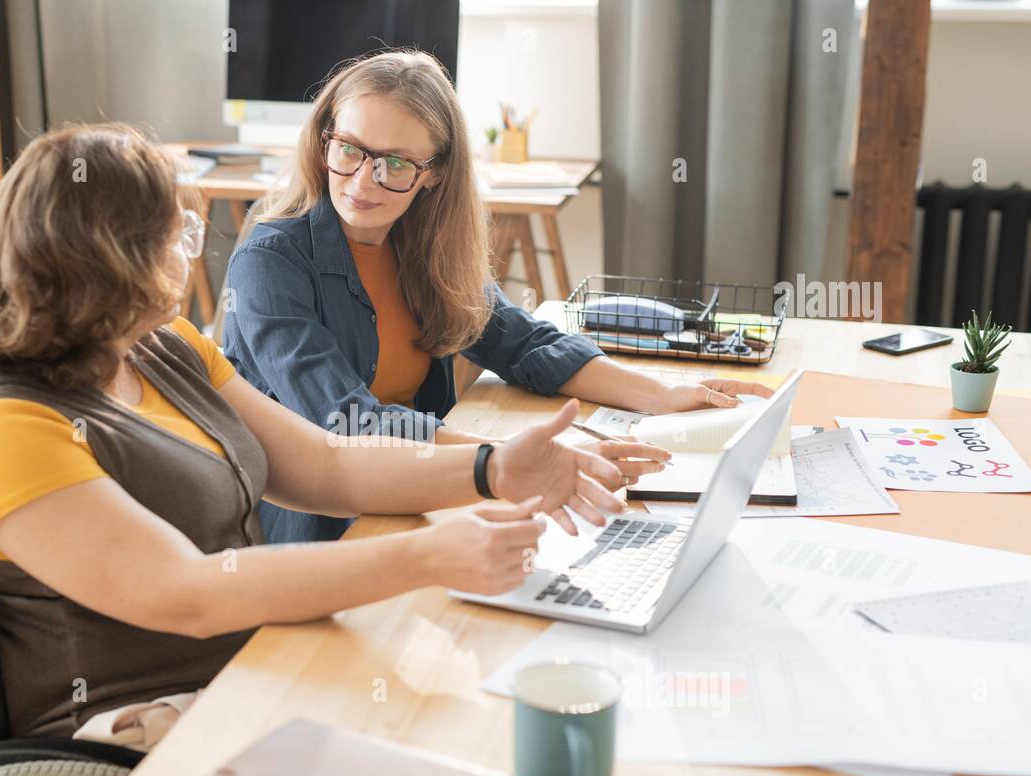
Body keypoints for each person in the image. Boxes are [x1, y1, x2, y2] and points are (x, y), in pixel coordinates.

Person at [0, 123, 657, 744]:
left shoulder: (164, 348)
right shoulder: (3, 430)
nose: (190, 253)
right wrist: (429, 555)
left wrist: (492, 470)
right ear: (108, 261)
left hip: (255, 661)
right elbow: (190, 593)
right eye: (176, 234)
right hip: (141, 729)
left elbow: (324, 464)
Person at [224, 50, 772, 544]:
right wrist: (505, 462)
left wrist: (661, 395)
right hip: (319, 530)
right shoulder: (271, 261)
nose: (365, 180)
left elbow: (523, 343)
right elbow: (346, 419)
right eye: (349, 149)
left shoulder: (424, 243)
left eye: (395, 164)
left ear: (434, 173)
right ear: (325, 138)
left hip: (421, 494)